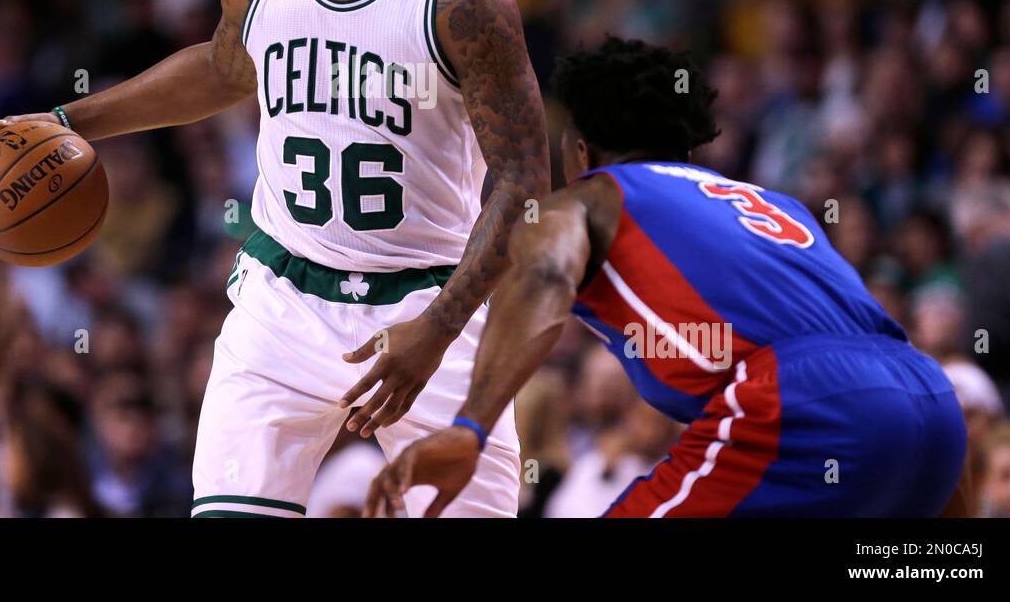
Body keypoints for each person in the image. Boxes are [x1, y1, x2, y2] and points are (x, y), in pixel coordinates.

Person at [0, 0, 549, 517]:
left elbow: (523, 179)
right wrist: (69, 121)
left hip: (429, 305)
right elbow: (226, 70)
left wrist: (438, 329)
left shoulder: (466, 0)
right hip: (283, 300)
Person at [365, 36, 967, 517]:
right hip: (931, 403)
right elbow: (880, 378)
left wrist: (471, 426)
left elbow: (545, 273)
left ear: (580, 150)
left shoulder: (590, 199)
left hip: (804, 402)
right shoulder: (777, 204)